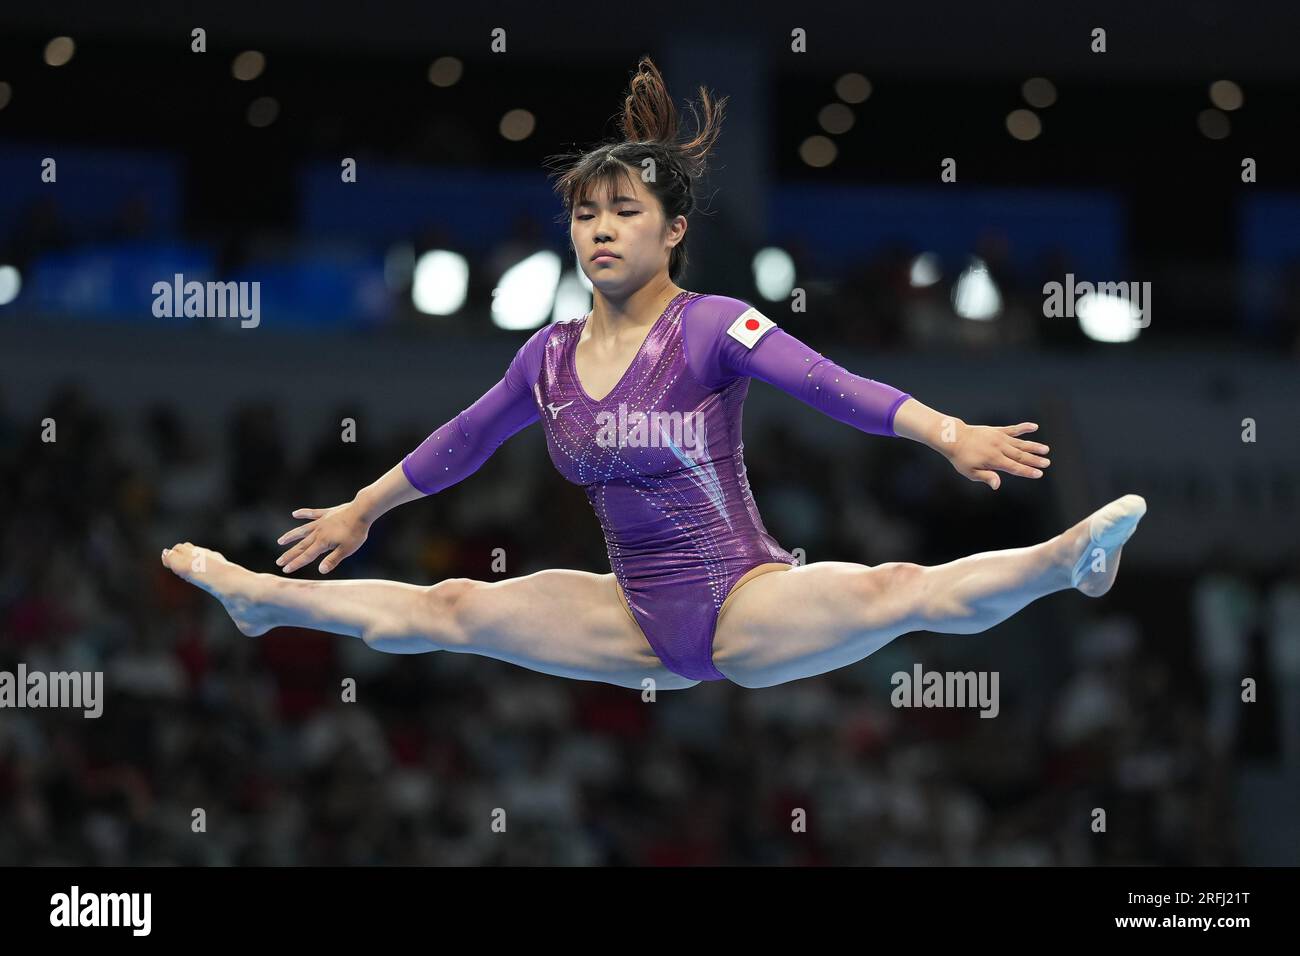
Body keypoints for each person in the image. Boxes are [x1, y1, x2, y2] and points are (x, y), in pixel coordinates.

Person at [162, 57, 1146, 690]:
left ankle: (1065, 560)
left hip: (745, 602)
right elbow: (461, 440)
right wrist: (361, 510)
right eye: (586, 212)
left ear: (672, 230)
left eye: (622, 211)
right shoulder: (545, 355)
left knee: (899, 588)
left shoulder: (714, 325)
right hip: (627, 613)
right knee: (449, 609)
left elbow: (828, 383)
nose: (599, 228)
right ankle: (262, 599)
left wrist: (949, 432)